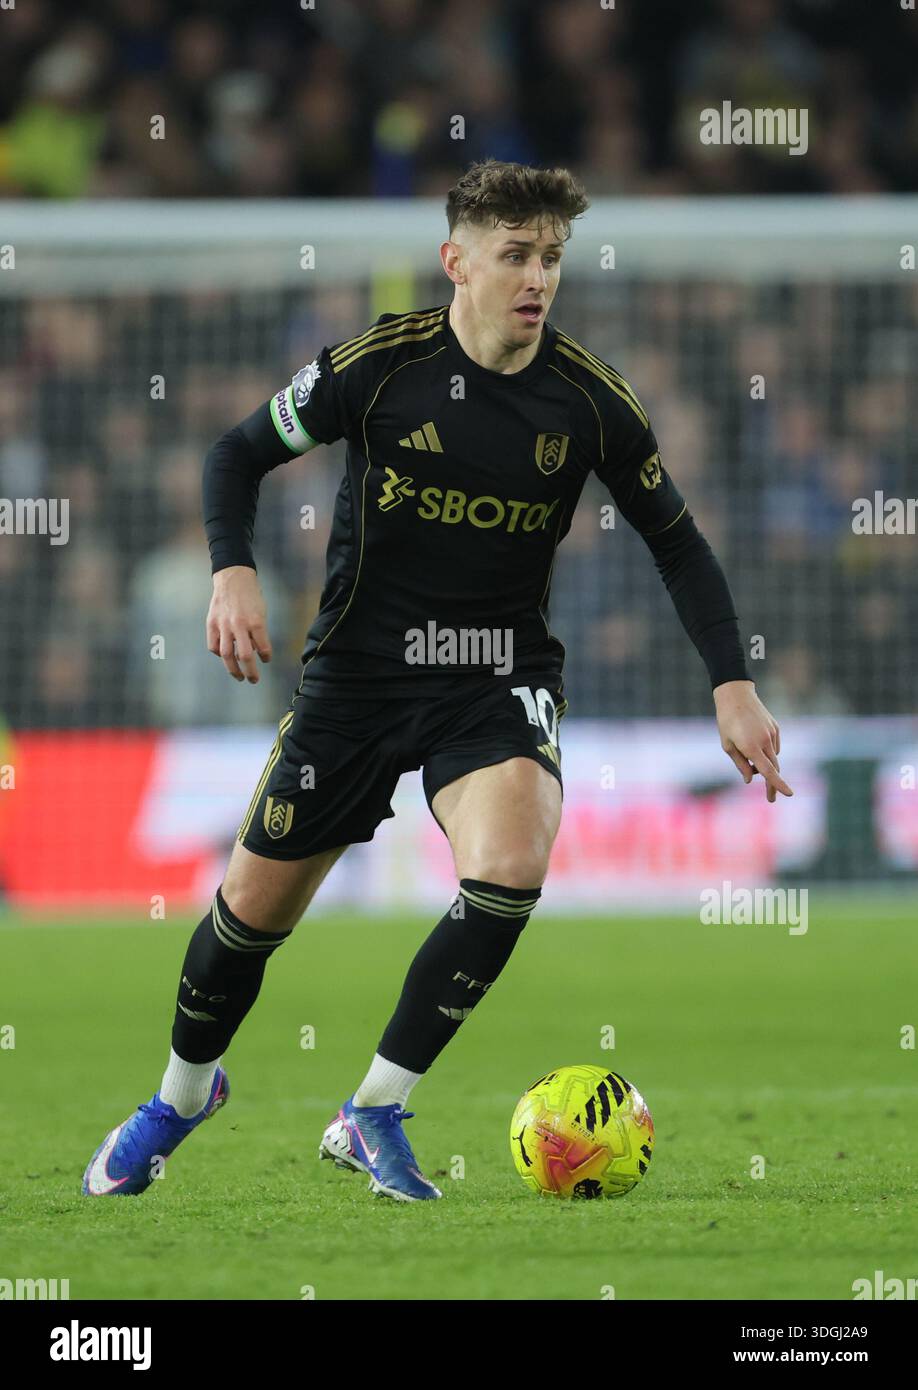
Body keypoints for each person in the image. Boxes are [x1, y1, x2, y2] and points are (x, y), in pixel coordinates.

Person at [82, 159, 791, 1204]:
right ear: (455, 261)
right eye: (515, 254)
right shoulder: (378, 366)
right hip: (357, 679)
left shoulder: (591, 402)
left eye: (551, 255)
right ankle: (181, 1096)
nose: (537, 275)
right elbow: (233, 455)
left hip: (494, 675)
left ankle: (371, 1108)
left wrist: (732, 683)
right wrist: (233, 570)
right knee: (246, 918)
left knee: (509, 863)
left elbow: (678, 543)